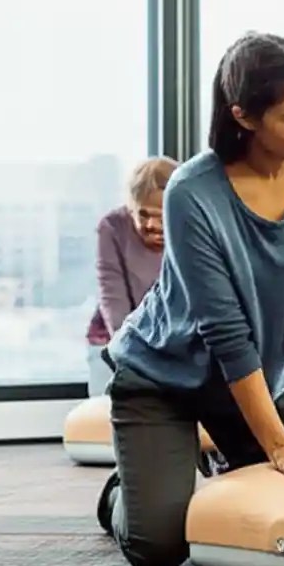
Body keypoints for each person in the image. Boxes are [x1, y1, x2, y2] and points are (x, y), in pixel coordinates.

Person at [95, 31, 284, 566]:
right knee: (161, 548)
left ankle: (200, 462)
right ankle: (124, 489)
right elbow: (227, 331)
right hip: (160, 379)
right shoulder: (193, 191)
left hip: (255, 381)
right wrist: (278, 446)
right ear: (243, 117)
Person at [87, 156, 179, 395]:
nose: (152, 225)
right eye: (143, 214)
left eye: (162, 216)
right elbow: (112, 297)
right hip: (114, 341)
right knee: (107, 417)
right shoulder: (112, 227)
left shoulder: (193, 229)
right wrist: (132, 355)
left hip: (173, 349)